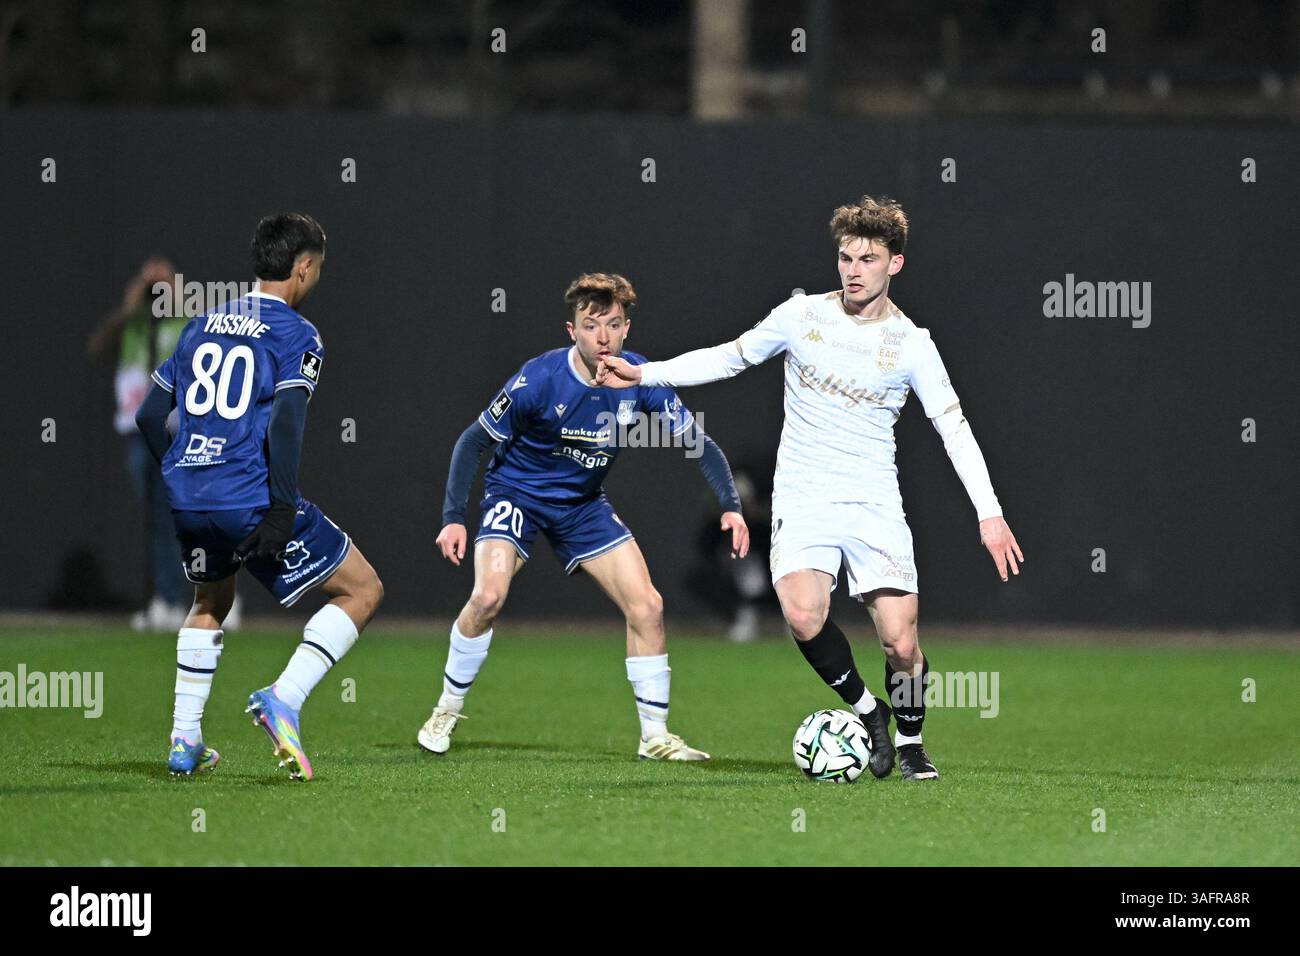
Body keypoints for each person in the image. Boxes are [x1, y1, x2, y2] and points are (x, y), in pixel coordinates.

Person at [598, 196, 1024, 781]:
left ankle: (911, 741)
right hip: (803, 496)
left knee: (901, 644)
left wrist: (990, 513)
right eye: (845, 256)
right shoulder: (801, 317)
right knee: (801, 613)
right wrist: (646, 373)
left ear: (893, 264)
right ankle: (868, 711)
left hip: (873, 500)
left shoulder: (912, 344)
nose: (852, 269)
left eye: (867, 259)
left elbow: (952, 425)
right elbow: (732, 357)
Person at [423, 272, 749, 760]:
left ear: (627, 330)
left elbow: (698, 443)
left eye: (613, 325)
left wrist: (731, 506)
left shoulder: (639, 378)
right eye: (591, 325)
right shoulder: (539, 379)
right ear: (570, 329)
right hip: (517, 495)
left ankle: (655, 736)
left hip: (582, 506)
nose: (603, 337)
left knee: (649, 607)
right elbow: (473, 440)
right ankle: (447, 708)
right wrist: (453, 516)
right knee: (488, 597)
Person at [135, 213, 383, 780]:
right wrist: (279, 506)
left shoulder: (202, 322)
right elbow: (287, 423)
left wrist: (181, 471)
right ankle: (285, 698)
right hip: (250, 498)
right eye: (317, 269)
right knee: (363, 590)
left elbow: (150, 414)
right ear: (303, 267)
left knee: (208, 602)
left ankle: (184, 740)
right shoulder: (298, 334)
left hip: (191, 498)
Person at [86, 257, 242, 630]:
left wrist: (177, 294)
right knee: (160, 523)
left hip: (184, 432)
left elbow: (220, 331)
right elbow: (97, 345)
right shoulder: (133, 325)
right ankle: (168, 602)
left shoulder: (188, 321)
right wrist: (131, 303)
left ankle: (218, 599)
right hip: (141, 435)